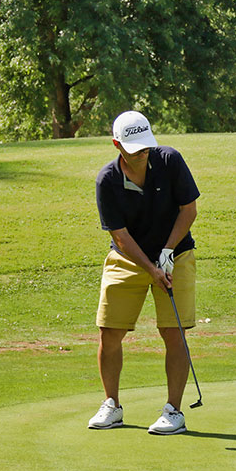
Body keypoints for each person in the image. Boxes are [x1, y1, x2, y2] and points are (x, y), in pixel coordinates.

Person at [88, 111, 201, 435]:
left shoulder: (169, 161)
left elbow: (188, 210)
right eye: (134, 148)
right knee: (109, 332)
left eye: (145, 147)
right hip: (128, 258)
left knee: (172, 331)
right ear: (116, 145)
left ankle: (174, 412)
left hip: (176, 254)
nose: (141, 153)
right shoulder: (107, 180)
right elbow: (119, 236)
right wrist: (152, 269)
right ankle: (112, 405)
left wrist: (167, 251)